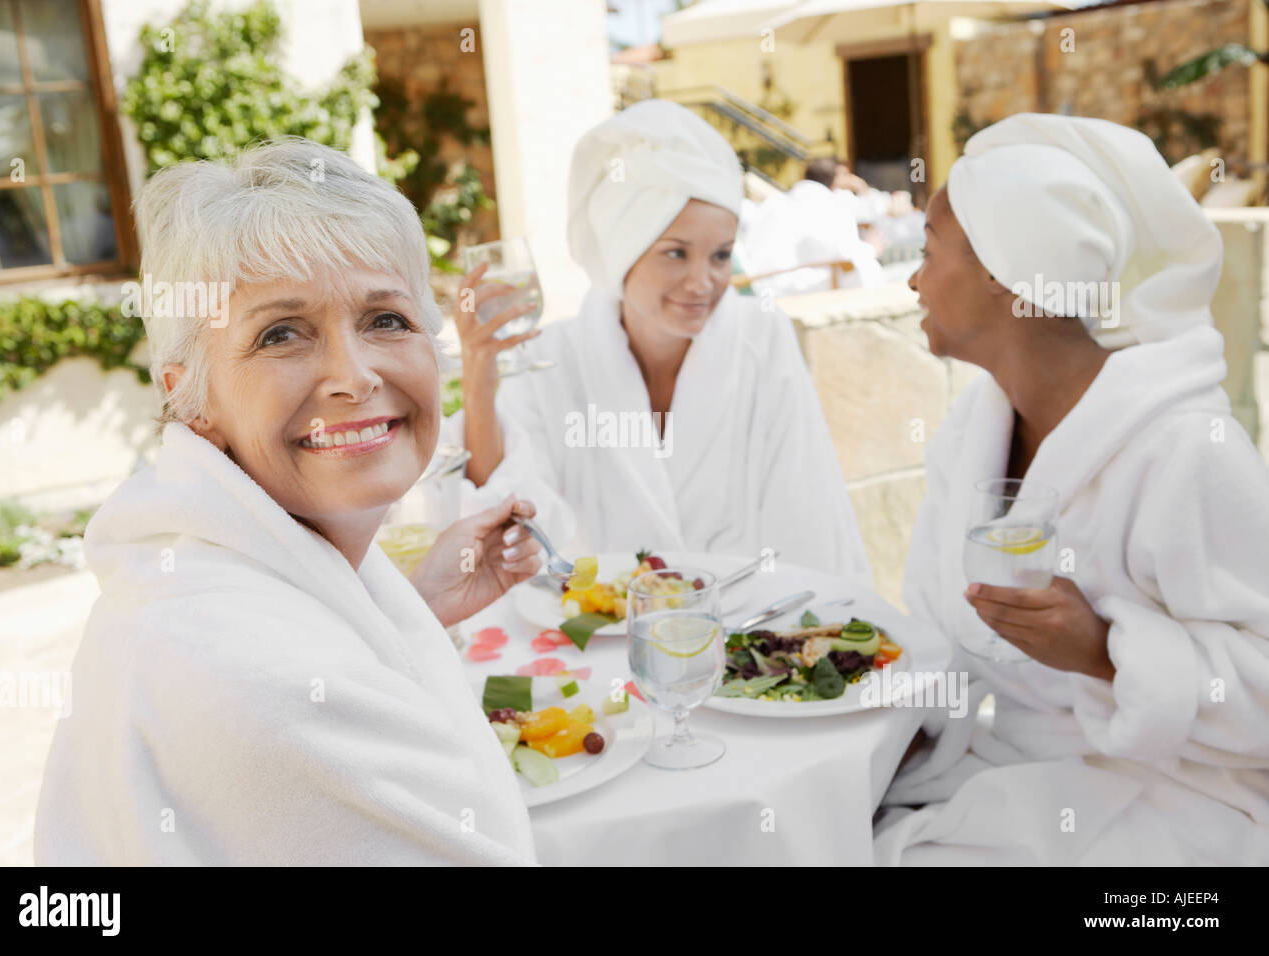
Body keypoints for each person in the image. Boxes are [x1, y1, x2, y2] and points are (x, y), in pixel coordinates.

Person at [34, 139, 545, 866]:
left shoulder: (193, 569)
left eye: (386, 320)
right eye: (282, 333)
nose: (354, 375)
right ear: (188, 396)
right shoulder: (257, 673)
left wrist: (408, 606)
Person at [874, 113, 1269, 865]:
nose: (914, 278)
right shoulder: (970, 436)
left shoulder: (1187, 451)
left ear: (1003, 269)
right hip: (1010, 769)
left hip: (1181, 798)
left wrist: (1106, 655)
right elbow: (934, 635)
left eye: (928, 250)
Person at [448, 100, 870, 579]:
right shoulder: (554, 356)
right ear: (624, 253)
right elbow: (505, 509)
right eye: (675, 253)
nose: (703, 282)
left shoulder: (762, 338)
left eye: (720, 255)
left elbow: (809, 516)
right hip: (600, 633)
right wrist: (478, 374)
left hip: (749, 627)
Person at [740, 156, 885, 298]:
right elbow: (846, 258)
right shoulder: (832, 206)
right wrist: (871, 249)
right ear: (834, 182)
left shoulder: (772, 203)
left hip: (759, 291)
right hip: (799, 294)